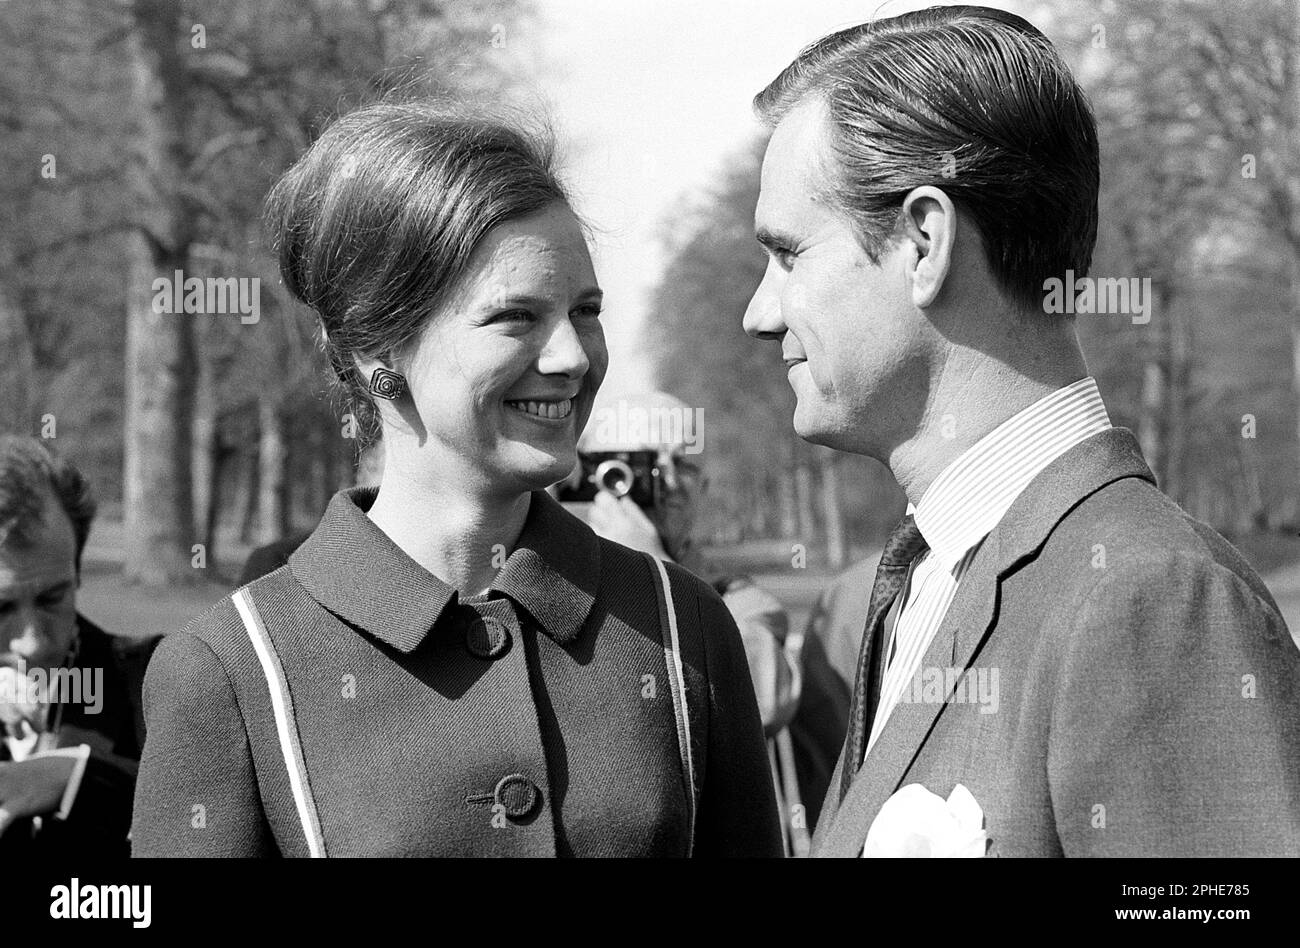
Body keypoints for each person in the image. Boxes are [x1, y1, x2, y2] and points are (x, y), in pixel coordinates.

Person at [131, 100, 781, 857]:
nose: (572, 357)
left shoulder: (682, 627)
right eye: (515, 317)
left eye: (586, 310)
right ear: (379, 354)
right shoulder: (233, 670)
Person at [743, 6, 1300, 856]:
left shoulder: (1148, 599)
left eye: (788, 255)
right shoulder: (919, 581)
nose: (759, 311)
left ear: (923, 242)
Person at [576, 391, 848, 855]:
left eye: (681, 468)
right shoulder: (549, 583)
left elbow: (762, 701)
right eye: (638, 468)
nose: (669, 488)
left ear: (700, 487)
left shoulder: (734, 599)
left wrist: (656, 576)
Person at [0, 435, 156, 858]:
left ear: (77, 574)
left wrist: (75, 778)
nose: (30, 643)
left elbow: (213, 812)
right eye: (1, 608)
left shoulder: (152, 679)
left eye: (53, 599)